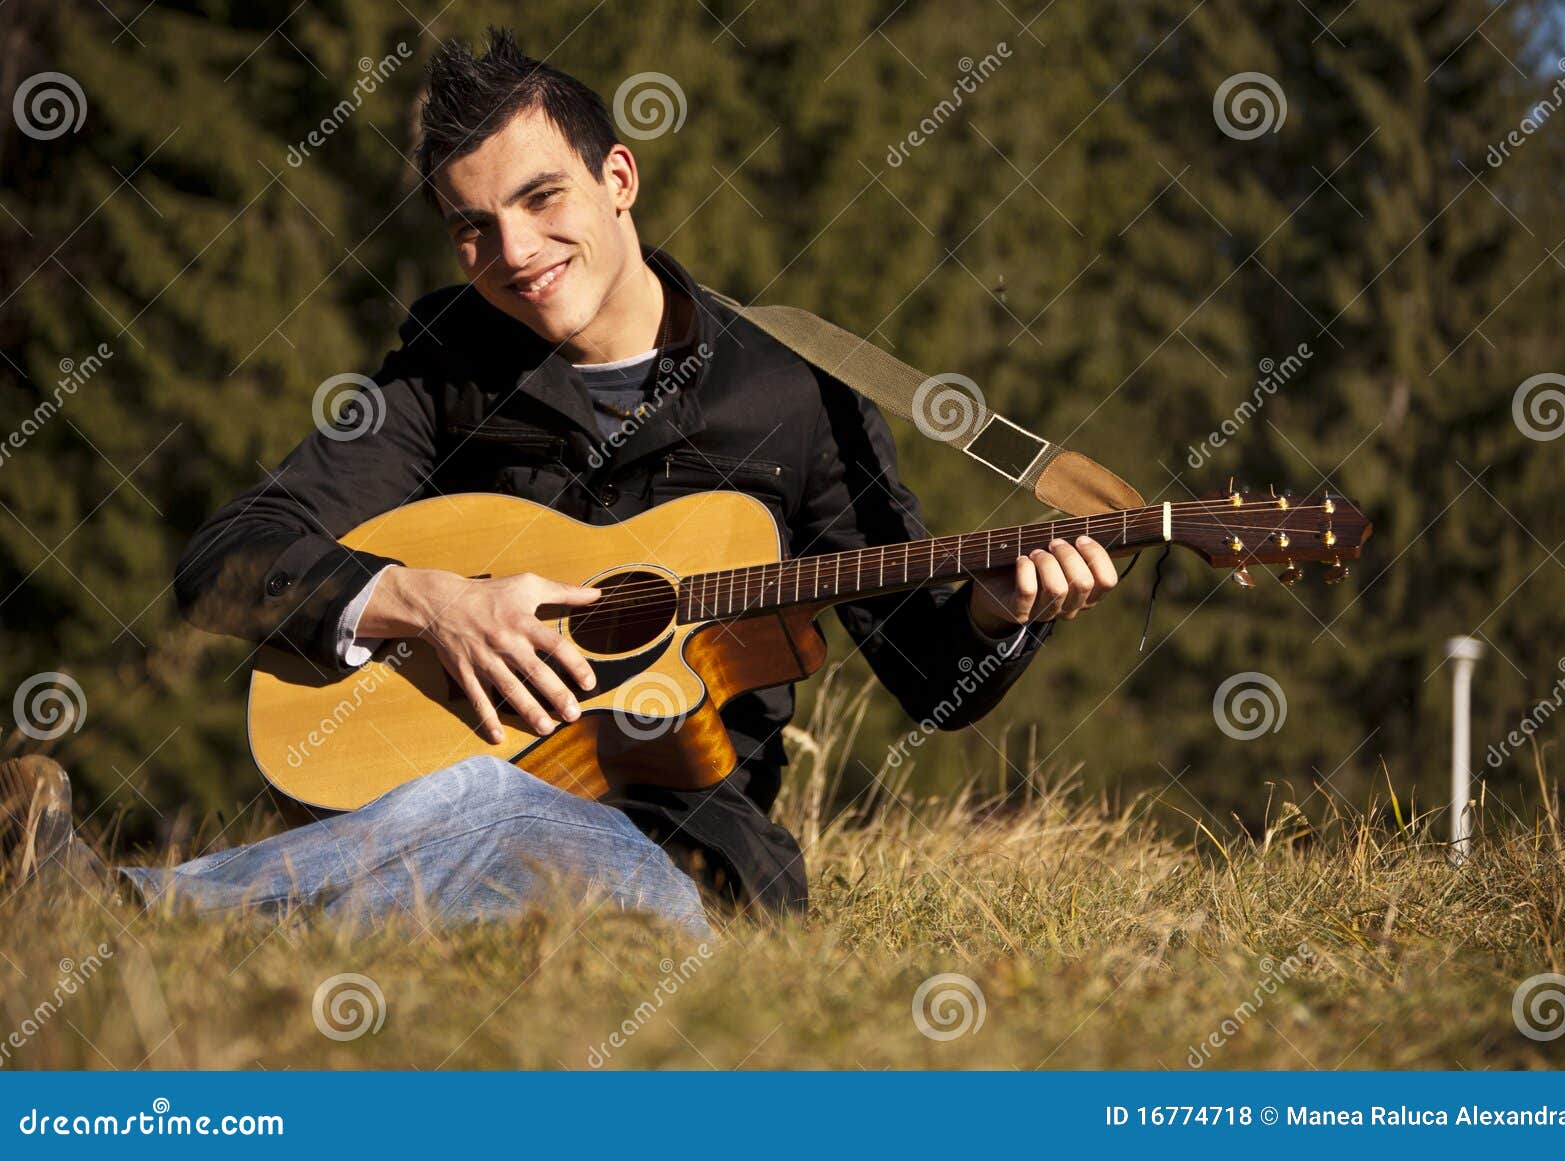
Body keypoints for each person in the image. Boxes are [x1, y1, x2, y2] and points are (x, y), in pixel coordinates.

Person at [0, 29, 1118, 933]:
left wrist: (997, 614)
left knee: (502, 816)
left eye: (542, 199)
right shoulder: (446, 368)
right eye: (474, 229)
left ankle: (124, 912)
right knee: (471, 798)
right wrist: (427, 601)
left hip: (682, 853)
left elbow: (931, 680)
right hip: (446, 791)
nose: (516, 252)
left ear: (618, 177)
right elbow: (223, 563)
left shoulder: (797, 391)